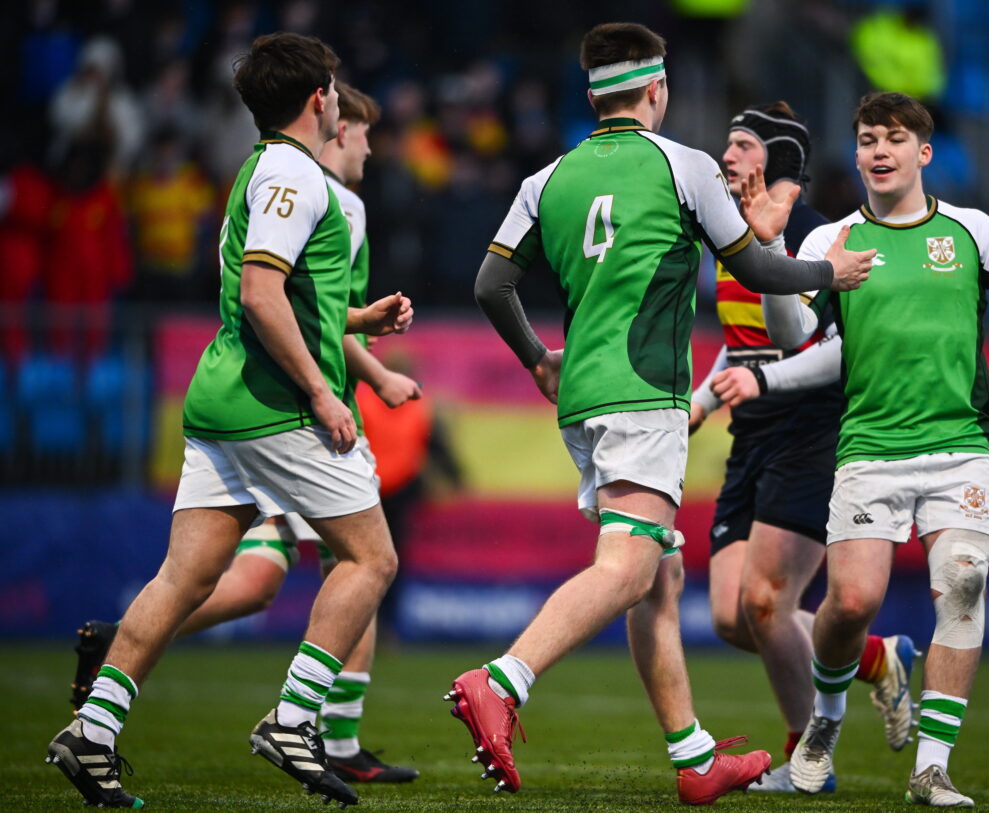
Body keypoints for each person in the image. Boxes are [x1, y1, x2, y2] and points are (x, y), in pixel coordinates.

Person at [448, 22, 874, 805]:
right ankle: (501, 679)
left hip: (579, 393)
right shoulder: (684, 166)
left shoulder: (547, 178)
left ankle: (693, 753)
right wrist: (829, 270)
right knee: (631, 567)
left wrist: (539, 356)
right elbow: (751, 264)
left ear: (591, 94)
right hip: (646, 391)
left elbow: (489, 285)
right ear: (658, 89)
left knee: (660, 576)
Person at [45, 33, 414, 809]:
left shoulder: (262, 169)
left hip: (224, 399)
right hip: (272, 403)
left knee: (187, 578)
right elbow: (258, 294)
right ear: (322, 100)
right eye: (338, 91)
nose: (344, 103)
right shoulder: (296, 174)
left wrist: (359, 317)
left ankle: (93, 731)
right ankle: (294, 719)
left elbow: (278, 290)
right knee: (371, 560)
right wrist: (321, 390)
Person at [770, 91, 989, 807]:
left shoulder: (971, 232)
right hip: (870, 447)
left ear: (923, 153)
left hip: (958, 446)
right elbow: (788, 336)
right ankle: (825, 723)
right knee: (850, 601)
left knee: (962, 588)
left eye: (894, 139)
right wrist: (802, 270)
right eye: (868, 138)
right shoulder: (831, 241)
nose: (879, 150)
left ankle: (931, 767)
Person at [689, 102, 918, 793]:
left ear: (774, 160)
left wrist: (756, 378)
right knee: (734, 616)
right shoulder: (729, 237)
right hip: (754, 428)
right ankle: (877, 658)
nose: (725, 156)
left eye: (740, 145)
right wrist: (701, 404)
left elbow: (834, 353)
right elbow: (745, 340)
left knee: (766, 602)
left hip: (814, 428)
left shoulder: (819, 236)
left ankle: (806, 760)